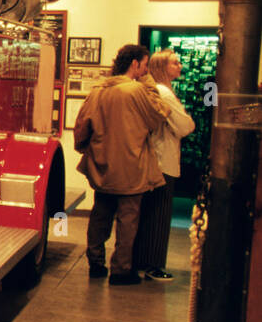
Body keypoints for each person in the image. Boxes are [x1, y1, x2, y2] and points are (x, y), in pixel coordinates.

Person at [74, 44, 170, 285]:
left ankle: (95, 263)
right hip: (131, 164)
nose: (146, 70)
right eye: (145, 65)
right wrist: (149, 82)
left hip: (101, 164)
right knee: (128, 219)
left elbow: (81, 127)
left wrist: (86, 149)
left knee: (100, 214)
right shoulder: (136, 90)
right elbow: (159, 113)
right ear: (135, 64)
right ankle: (121, 269)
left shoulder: (98, 90)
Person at [133, 50, 196, 280]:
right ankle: (153, 265)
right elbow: (185, 126)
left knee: (150, 212)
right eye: (174, 62)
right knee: (159, 213)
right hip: (163, 161)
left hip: (157, 160)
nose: (180, 66)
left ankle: (143, 261)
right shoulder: (164, 94)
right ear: (162, 67)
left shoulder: (158, 91)